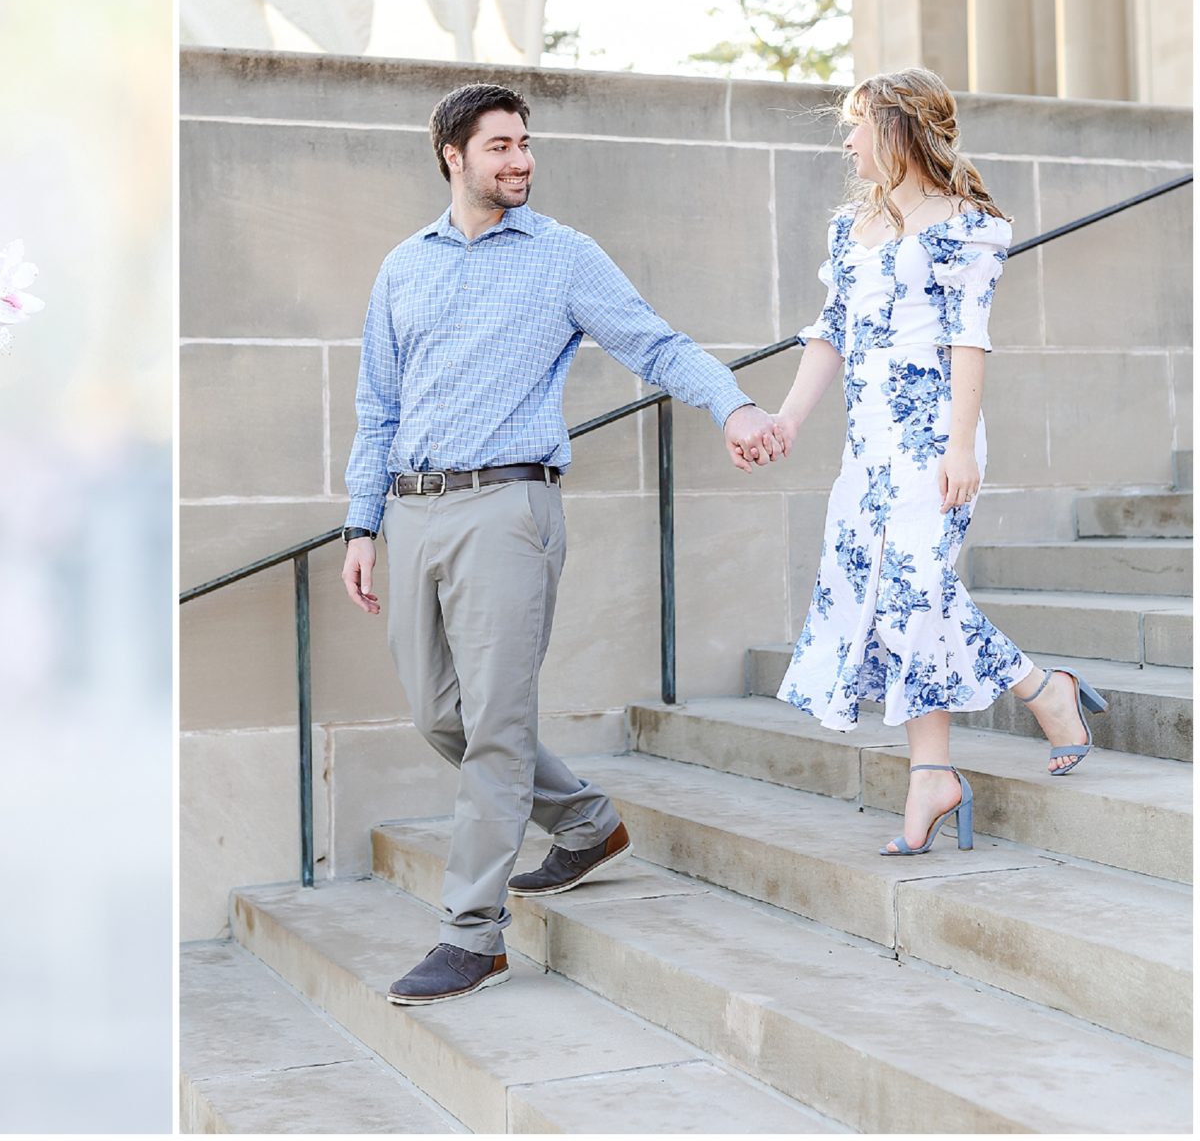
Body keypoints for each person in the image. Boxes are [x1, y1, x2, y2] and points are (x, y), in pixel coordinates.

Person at [340, 83, 789, 1007]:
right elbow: (375, 407)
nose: (519, 161)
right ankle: (585, 820)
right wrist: (362, 521)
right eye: (499, 146)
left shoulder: (562, 257)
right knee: (441, 716)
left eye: (525, 144)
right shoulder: (403, 267)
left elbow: (658, 345)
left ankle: (473, 933)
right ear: (452, 157)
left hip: (510, 508)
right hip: (414, 511)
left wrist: (733, 402)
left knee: (497, 727)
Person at [773, 69, 1107, 859]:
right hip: (869, 448)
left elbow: (969, 337)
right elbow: (830, 332)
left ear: (897, 129)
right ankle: (1002, 717)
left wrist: (959, 445)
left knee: (917, 590)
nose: (847, 142)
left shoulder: (968, 225)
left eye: (857, 126)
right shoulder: (849, 231)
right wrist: (788, 417)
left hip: (933, 439)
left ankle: (967, 745)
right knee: (892, 598)